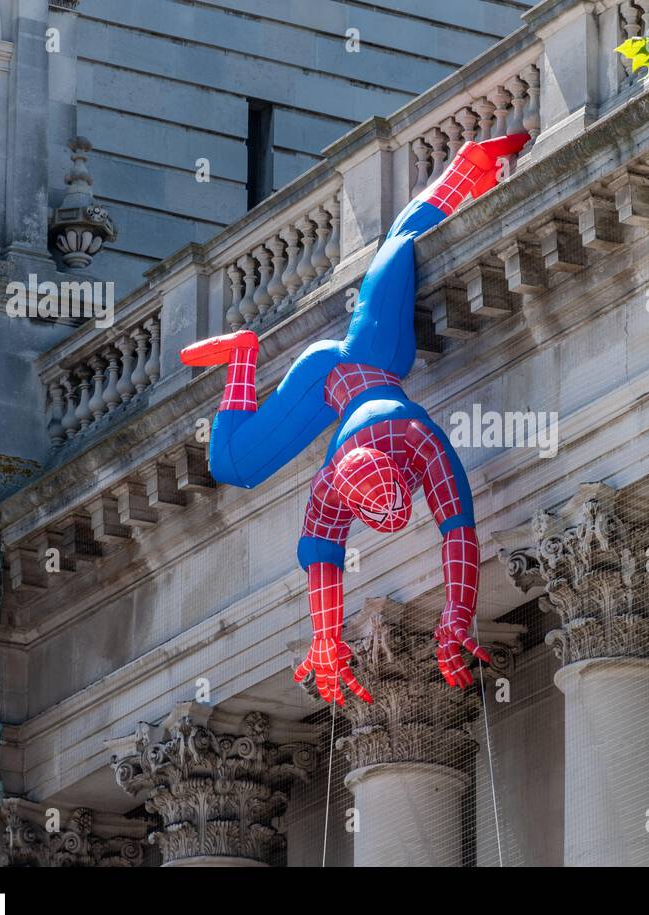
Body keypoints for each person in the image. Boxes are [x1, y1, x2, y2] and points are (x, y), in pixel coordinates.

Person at [180, 132, 532, 705]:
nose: (394, 515)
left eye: (391, 502)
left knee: (396, 252)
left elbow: (456, 531)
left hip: (369, 358)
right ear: (353, 494)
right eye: (387, 508)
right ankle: (243, 354)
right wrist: (331, 640)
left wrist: (453, 617)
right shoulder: (334, 487)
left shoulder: (416, 438)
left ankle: (467, 162)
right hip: (329, 379)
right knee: (230, 464)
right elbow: (339, 555)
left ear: (398, 470)